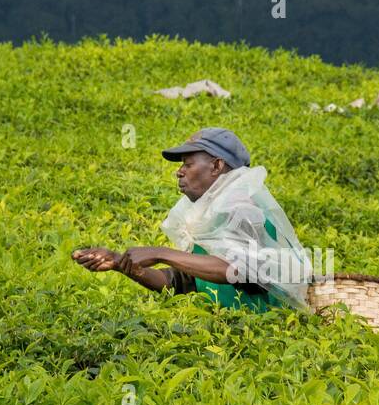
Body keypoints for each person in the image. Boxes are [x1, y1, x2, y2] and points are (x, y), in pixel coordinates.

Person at [72, 127, 312, 311]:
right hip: (225, 335)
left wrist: (160, 253)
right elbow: (181, 281)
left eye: (188, 164)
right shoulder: (209, 216)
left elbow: (241, 271)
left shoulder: (246, 211)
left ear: (217, 166)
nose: (179, 171)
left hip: (265, 334)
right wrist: (121, 264)